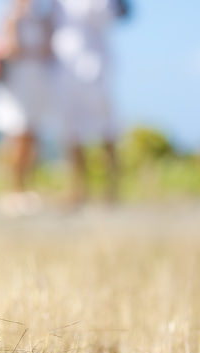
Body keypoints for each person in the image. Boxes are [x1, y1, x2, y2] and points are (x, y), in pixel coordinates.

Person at [51, 0, 128, 205]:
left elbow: (116, 13)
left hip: (93, 65)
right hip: (64, 66)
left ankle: (111, 189)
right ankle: (77, 189)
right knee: (70, 130)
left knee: (106, 128)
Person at [0, 0, 55, 216]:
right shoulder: (10, 14)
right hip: (16, 83)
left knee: (31, 138)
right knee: (16, 138)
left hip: (35, 81)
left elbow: (48, 50)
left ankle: (26, 189)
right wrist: (16, 20)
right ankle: (11, 191)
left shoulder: (39, 17)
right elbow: (11, 48)